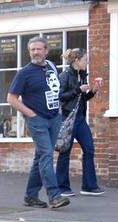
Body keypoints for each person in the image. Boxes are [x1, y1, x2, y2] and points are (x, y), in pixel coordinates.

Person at [7, 36, 69, 209]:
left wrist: (58, 110)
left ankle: (31, 196)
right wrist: (31, 114)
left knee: (40, 157)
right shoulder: (24, 73)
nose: (35, 52)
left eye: (39, 49)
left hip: (54, 118)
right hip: (37, 120)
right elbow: (11, 98)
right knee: (47, 155)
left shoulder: (51, 66)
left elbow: (55, 90)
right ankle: (54, 196)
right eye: (32, 50)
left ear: (46, 51)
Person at [55, 48, 104, 197]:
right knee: (65, 152)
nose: (87, 62)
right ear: (76, 60)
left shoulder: (82, 75)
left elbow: (82, 98)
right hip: (68, 118)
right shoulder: (65, 76)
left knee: (89, 149)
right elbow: (60, 97)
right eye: (85, 60)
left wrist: (93, 91)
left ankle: (89, 186)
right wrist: (78, 89)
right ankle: (62, 188)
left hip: (80, 118)